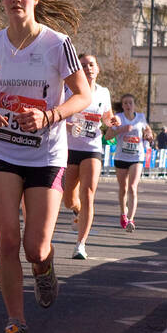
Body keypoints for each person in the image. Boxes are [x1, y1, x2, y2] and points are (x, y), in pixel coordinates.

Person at [0, 0, 91, 333]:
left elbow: (83, 96)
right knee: (7, 238)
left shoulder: (57, 44)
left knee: (35, 245)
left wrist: (49, 115)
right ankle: (15, 324)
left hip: (47, 153)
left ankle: (44, 265)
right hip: (3, 150)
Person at [62, 53, 113, 259]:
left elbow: (107, 117)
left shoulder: (103, 92)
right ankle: (77, 211)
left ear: (97, 68)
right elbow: (58, 116)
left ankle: (80, 244)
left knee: (88, 193)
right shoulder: (68, 90)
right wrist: (68, 125)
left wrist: (112, 122)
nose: (88, 68)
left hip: (92, 148)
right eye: (83, 65)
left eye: (91, 64)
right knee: (68, 200)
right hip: (69, 149)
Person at [104, 93, 153, 232]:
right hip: (121, 157)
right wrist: (121, 129)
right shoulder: (117, 118)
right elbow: (107, 136)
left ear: (134, 105)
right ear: (122, 105)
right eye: (125, 103)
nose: (128, 105)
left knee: (132, 187)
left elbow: (148, 131)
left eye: (130, 103)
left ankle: (131, 219)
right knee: (123, 188)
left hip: (137, 157)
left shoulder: (141, 118)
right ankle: (123, 213)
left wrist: (149, 135)